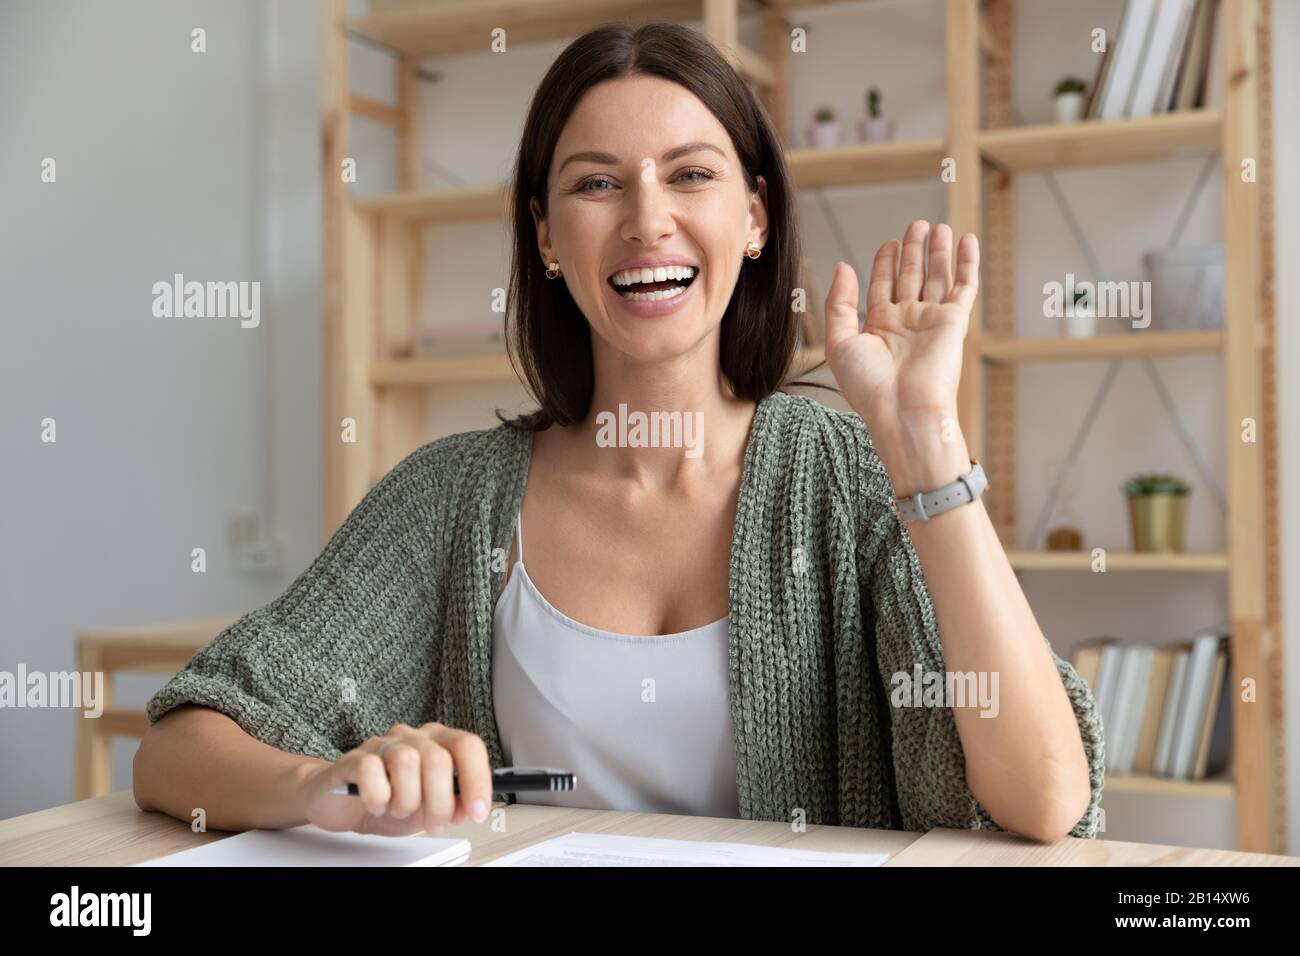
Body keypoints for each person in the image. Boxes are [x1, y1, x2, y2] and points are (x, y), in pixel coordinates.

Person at [134, 22, 1102, 843]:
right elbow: (177, 747)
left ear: (754, 216)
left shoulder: (847, 476)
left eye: (690, 174)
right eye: (597, 184)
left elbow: (1044, 798)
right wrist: (322, 783)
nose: (648, 221)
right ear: (547, 238)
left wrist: (925, 440)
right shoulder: (453, 497)